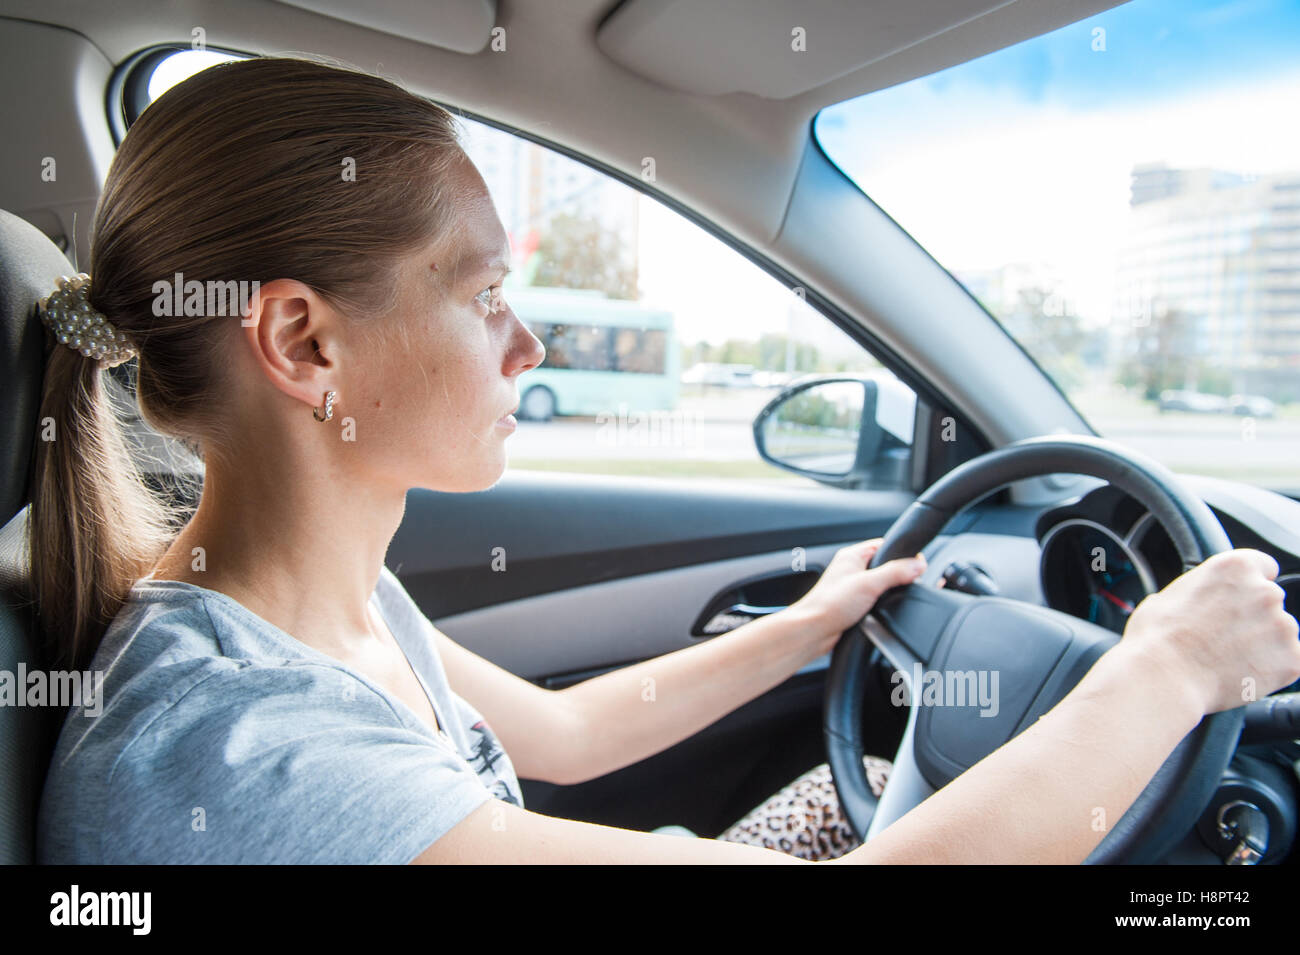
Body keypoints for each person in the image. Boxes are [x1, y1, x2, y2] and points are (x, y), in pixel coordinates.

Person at [30, 57, 1300, 865]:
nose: (528, 343)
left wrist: (810, 625)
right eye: (483, 296)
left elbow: (572, 733)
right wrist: (1170, 666)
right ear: (305, 345)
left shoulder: (322, 610)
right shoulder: (243, 752)